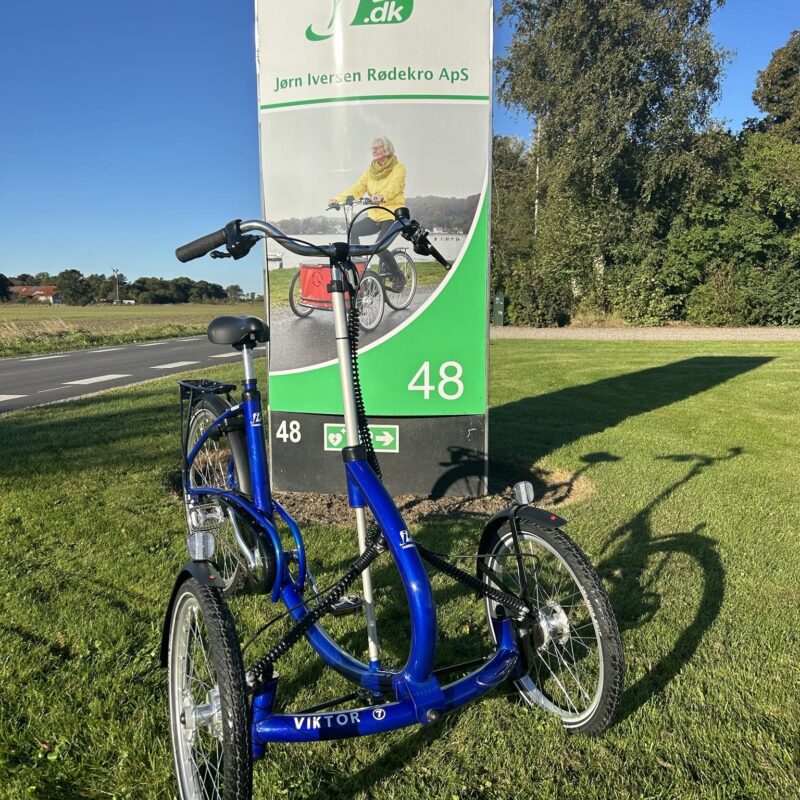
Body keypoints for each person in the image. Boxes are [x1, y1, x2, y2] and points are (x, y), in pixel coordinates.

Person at [329, 136, 407, 290]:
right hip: (375, 215)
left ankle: (399, 276)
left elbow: (395, 187)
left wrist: (382, 195)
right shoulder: (370, 171)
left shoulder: (398, 168)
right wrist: (338, 199)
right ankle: (357, 266)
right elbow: (357, 188)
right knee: (353, 228)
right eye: (373, 148)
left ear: (387, 149)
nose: (375, 150)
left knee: (379, 247)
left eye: (378, 147)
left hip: (392, 215)